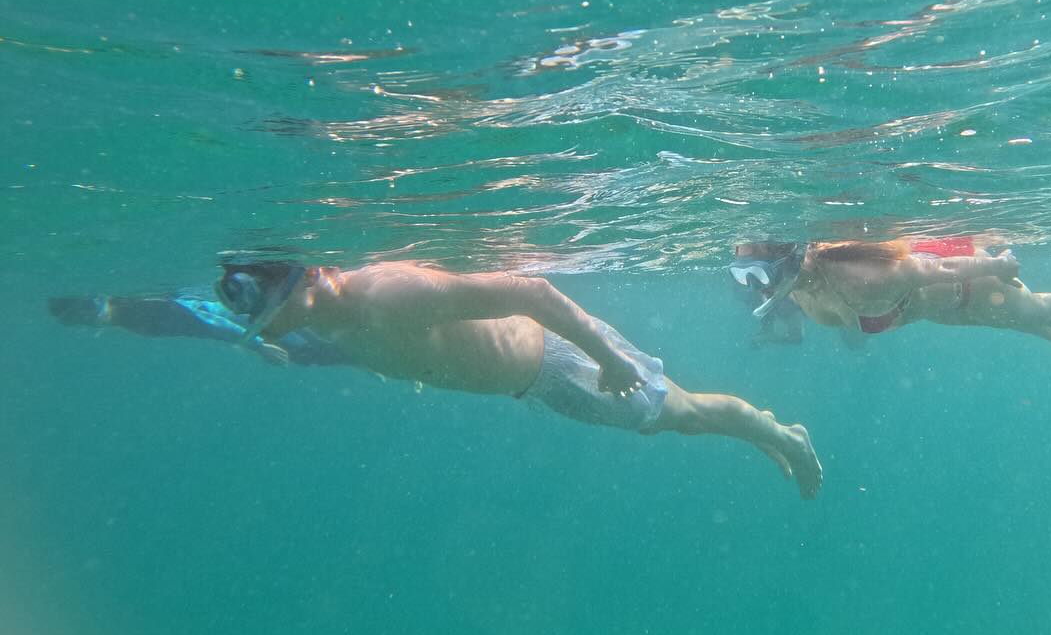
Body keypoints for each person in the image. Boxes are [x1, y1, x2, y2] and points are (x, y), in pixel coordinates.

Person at [207, 259, 823, 498]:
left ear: (308, 279)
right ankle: (768, 435)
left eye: (269, 314)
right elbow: (387, 352)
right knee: (677, 422)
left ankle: (786, 436)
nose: (266, 329)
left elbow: (529, 291)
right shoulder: (334, 323)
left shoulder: (387, 294)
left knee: (682, 416)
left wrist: (606, 361)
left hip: (559, 362)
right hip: (533, 383)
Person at [730, 236, 1051, 371]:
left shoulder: (859, 279)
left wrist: (996, 264)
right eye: (742, 276)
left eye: (759, 276)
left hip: (968, 287)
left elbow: (934, 268)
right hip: (940, 310)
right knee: (1012, 321)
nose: (755, 289)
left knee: (1038, 311)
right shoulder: (802, 289)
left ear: (788, 262)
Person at [48, 290, 350, 366]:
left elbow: (206, 321)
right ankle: (368, 355)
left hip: (252, 320)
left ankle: (373, 355)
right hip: (254, 320)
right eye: (76, 321)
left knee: (313, 352)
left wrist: (257, 344)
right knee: (315, 353)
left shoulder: (137, 308)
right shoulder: (126, 316)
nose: (85, 321)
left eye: (84, 311)